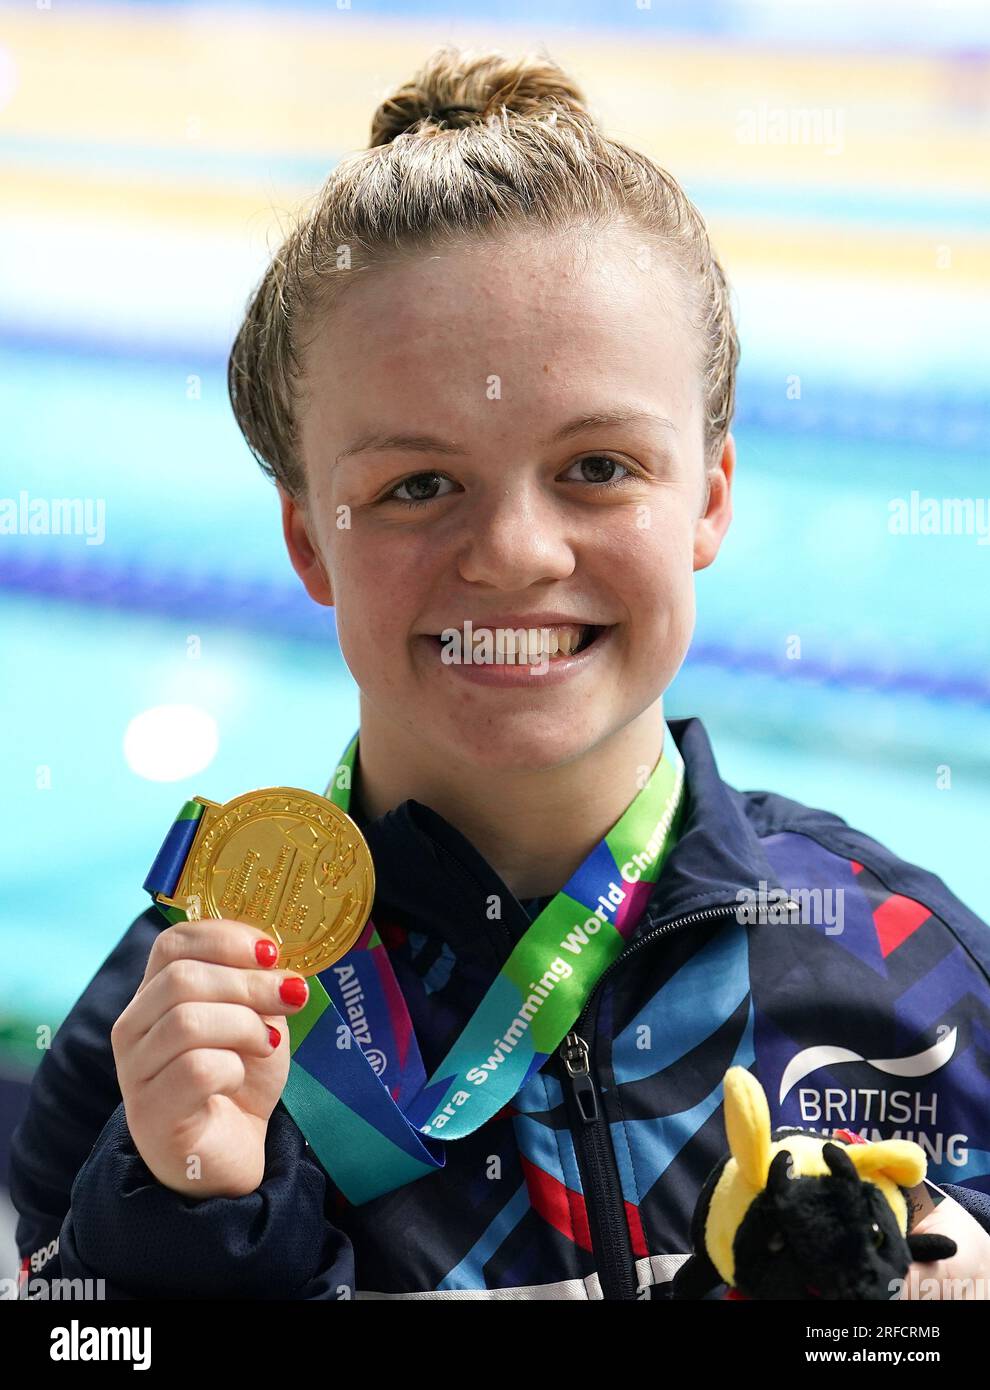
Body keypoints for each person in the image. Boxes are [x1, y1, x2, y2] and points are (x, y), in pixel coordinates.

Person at [10, 45, 990, 1302]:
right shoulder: (163, 1030)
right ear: (311, 537)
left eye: (597, 466)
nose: (517, 553)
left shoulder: (909, 970)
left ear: (712, 496)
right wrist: (189, 1232)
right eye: (418, 486)